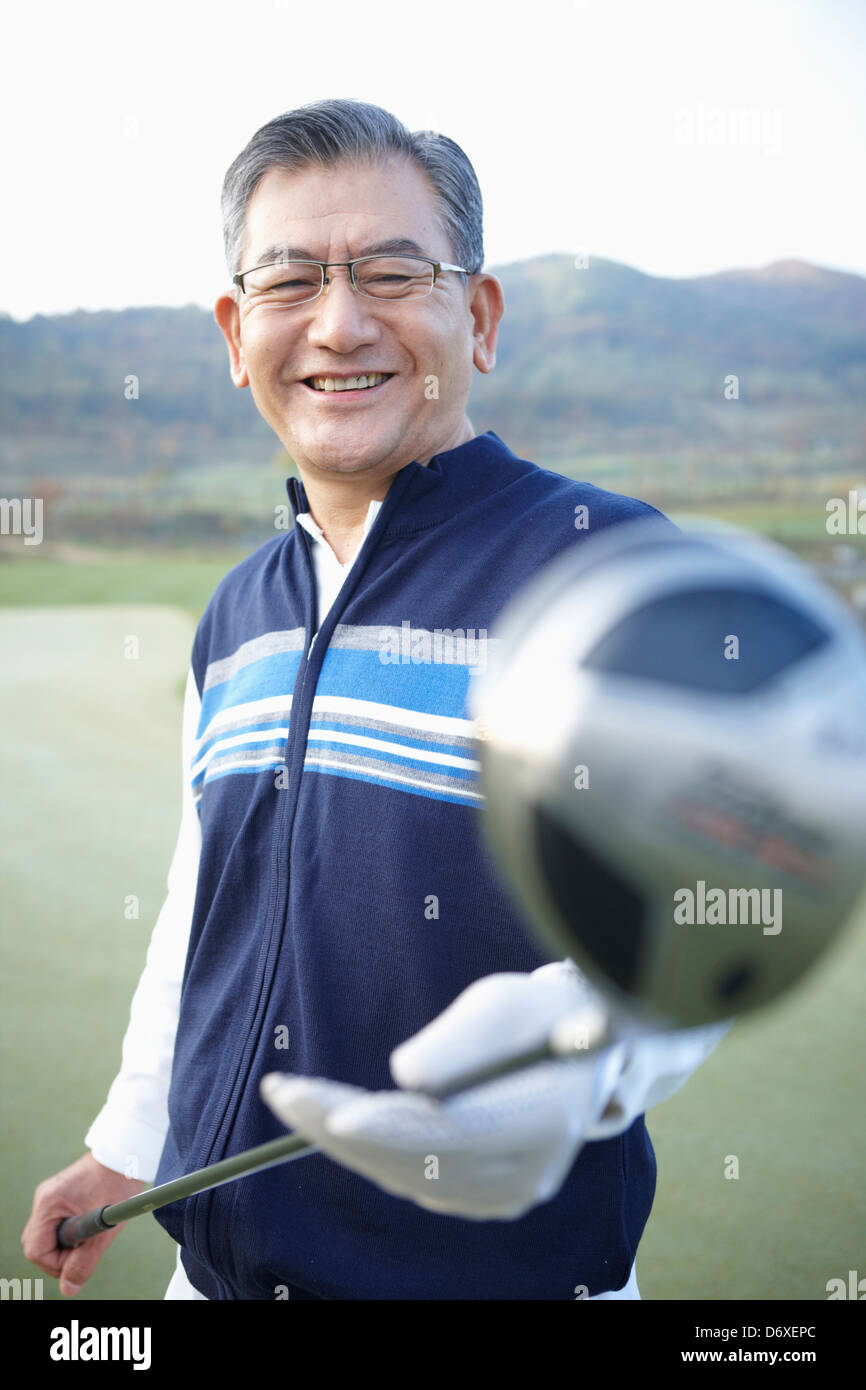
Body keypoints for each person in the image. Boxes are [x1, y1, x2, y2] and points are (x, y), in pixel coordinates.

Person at [22, 98, 730, 1301]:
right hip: (213, 1280)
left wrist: (585, 1049)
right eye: (290, 281)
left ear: (480, 314)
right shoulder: (239, 611)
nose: (340, 323)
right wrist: (127, 1144)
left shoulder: (606, 572)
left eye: (394, 272)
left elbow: (715, 902)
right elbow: (204, 907)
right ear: (236, 333)